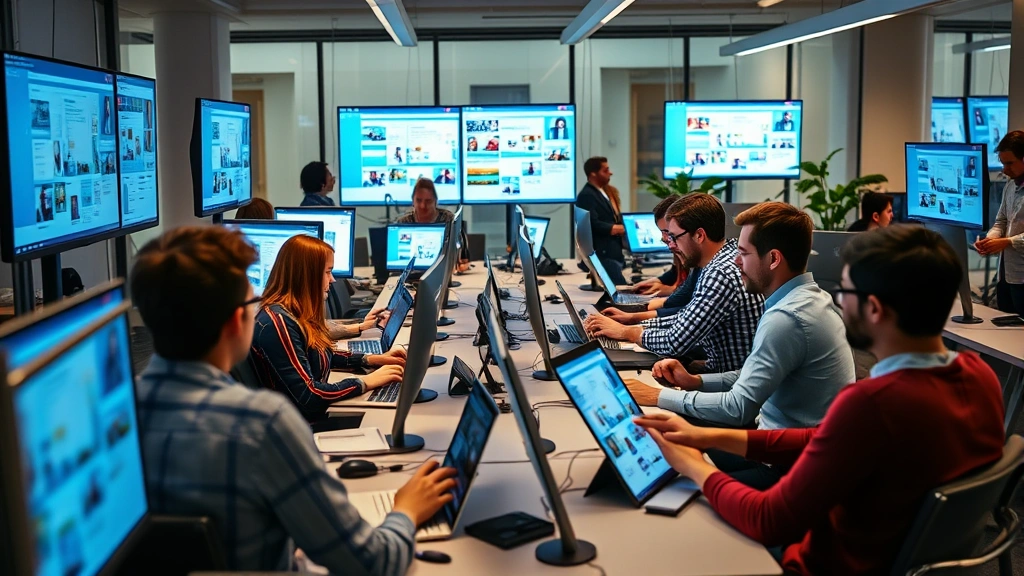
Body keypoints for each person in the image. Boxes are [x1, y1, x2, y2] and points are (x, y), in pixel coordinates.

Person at [635, 225, 1004, 575]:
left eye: (846, 293)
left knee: (678, 517)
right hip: (893, 557)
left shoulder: (872, 403)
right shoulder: (980, 376)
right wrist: (708, 437)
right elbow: (827, 439)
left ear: (874, 309)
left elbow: (768, 520)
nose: (840, 304)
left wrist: (695, 466)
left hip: (818, 566)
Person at [132, 226, 457, 574]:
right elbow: (373, 563)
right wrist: (406, 510)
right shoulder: (263, 424)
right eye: (251, 301)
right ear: (236, 321)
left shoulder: (115, 423)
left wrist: (366, 360)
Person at [626, 203, 855, 489]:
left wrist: (657, 396)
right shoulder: (809, 299)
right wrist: (696, 382)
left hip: (787, 469)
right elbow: (753, 374)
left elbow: (738, 408)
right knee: (670, 440)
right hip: (775, 447)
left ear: (773, 259)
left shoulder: (787, 318)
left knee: (674, 485)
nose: (736, 262)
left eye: (744, 254)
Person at [584, 193, 764, 373]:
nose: (671, 245)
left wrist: (625, 332)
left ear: (699, 235)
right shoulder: (724, 256)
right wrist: (630, 324)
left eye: (675, 237)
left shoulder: (719, 274)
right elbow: (685, 319)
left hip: (728, 380)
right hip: (722, 370)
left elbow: (674, 341)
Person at [249, 235, 407, 422]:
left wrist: (371, 359)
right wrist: (365, 382)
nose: (332, 280)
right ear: (307, 276)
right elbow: (310, 396)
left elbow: (320, 354)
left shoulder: (296, 313)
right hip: (301, 428)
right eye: (327, 272)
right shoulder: (278, 323)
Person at [605, 196, 700, 323]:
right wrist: (656, 284)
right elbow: (678, 283)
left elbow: (688, 305)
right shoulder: (683, 252)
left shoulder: (701, 263)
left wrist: (633, 321)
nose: (664, 238)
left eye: (668, 232)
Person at [976, 130, 1024, 316]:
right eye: (1003, 164)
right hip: (1006, 274)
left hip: (1022, 277)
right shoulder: (1010, 185)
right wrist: (990, 239)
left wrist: (1007, 242)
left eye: (1009, 163)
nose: (1004, 170)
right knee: (1005, 324)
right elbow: (1001, 221)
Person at [397, 178, 470, 271]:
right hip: (411, 273)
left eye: (428, 201)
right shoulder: (404, 223)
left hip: (443, 272)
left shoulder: (448, 220)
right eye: (418, 200)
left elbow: (461, 255)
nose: (423, 206)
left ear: (435, 201)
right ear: (413, 201)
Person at [576, 156, 627, 285]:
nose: (611, 173)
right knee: (620, 287)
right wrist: (617, 229)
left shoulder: (603, 192)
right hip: (602, 254)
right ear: (593, 173)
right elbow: (592, 224)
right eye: (606, 170)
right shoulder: (587, 195)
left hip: (612, 252)